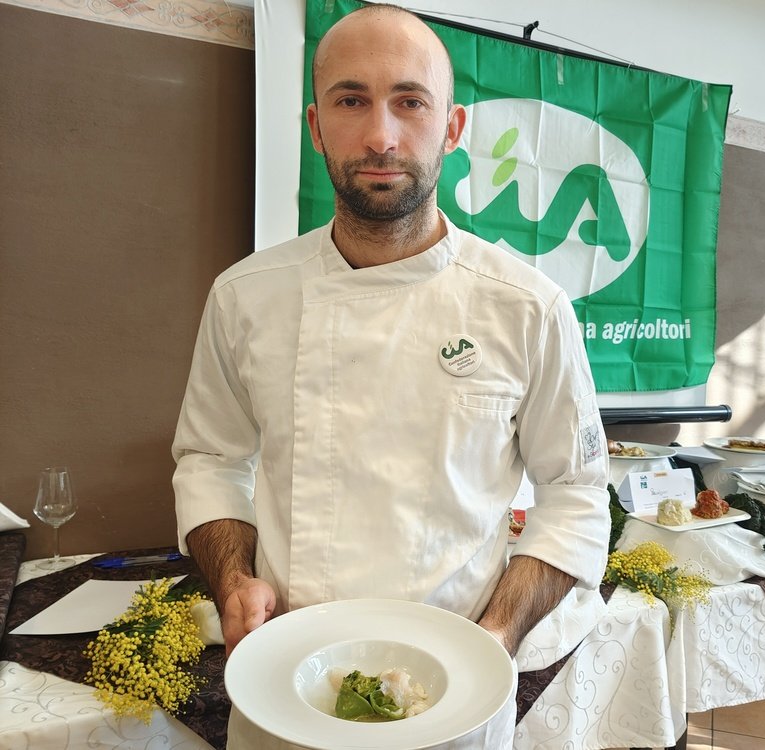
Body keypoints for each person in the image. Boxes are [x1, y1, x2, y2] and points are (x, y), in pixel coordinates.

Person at [172, 4, 610, 748]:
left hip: (456, 701)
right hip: (285, 690)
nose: (381, 135)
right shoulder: (245, 296)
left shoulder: (528, 308)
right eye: (352, 101)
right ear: (316, 127)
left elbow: (575, 491)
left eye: (410, 102)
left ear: (452, 128)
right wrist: (233, 579)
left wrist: (498, 635)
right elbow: (212, 458)